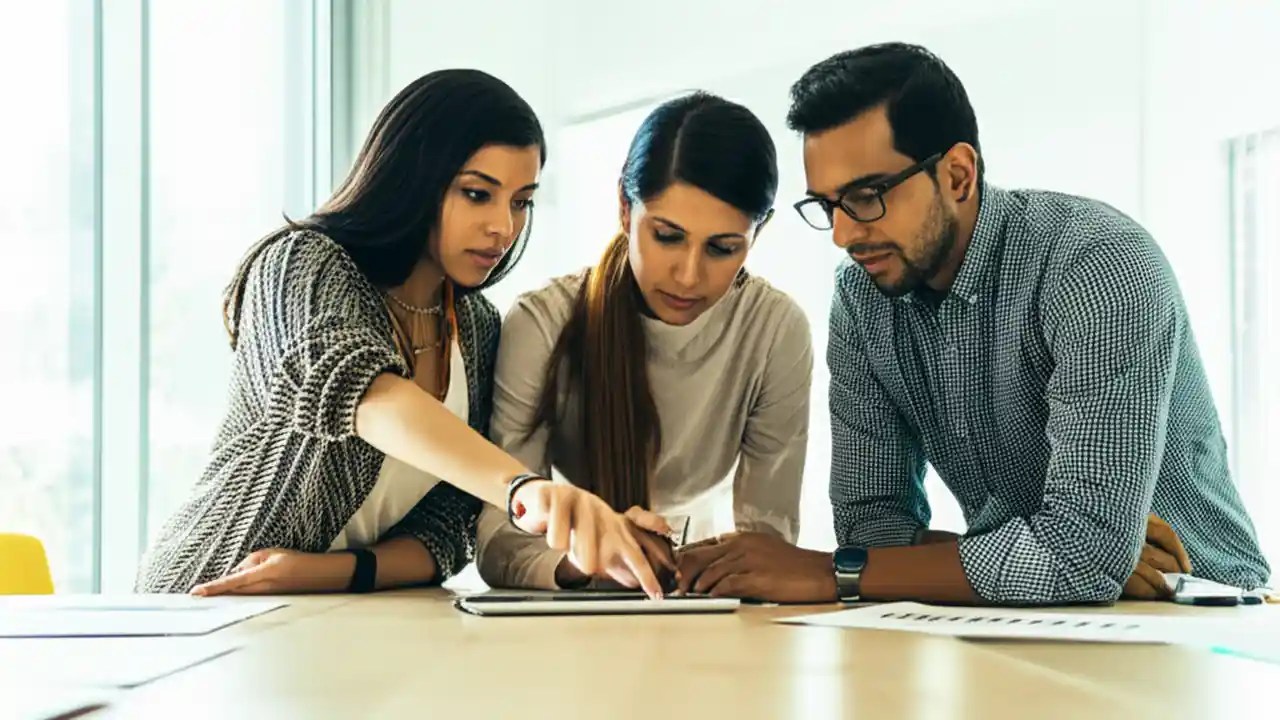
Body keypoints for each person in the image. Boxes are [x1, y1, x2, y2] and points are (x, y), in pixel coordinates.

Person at [677, 43, 1270, 605]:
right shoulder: (862, 296)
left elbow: (1083, 554)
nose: (843, 234)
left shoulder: (1096, 263)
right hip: (1029, 619)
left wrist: (831, 574)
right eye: (828, 205)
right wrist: (1057, 561)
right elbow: (873, 526)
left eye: (866, 195)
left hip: (1202, 606)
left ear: (958, 175)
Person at [136, 69, 664, 598]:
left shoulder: (477, 327)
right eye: (478, 194)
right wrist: (524, 489)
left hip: (326, 618)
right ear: (412, 176)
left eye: (521, 201)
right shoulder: (303, 265)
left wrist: (318, 573)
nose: (503, 227)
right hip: (200, 596)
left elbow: (445, 529)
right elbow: (356, 391)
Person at [475, 92, 812, 590]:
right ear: (624, 210)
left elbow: (767, 542)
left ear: (757, 235)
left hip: (699, 602)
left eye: (723, 248)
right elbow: (497, 541)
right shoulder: (541, 325)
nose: (689, 275)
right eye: (667, 236)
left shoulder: (776, 331)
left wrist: (678, 567)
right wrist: (591, 560)